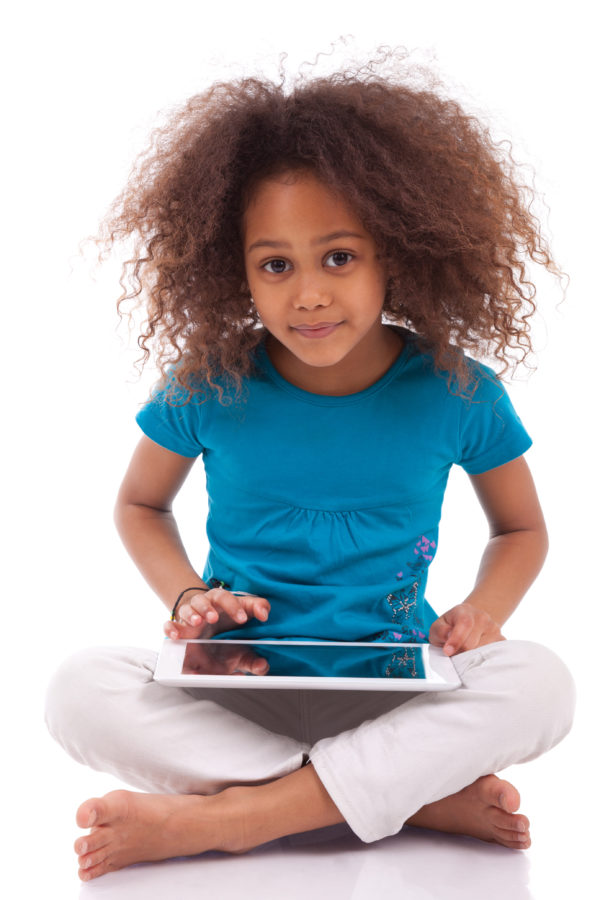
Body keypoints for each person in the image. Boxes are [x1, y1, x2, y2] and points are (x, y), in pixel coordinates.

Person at [45, 50, 576, 882]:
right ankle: (403, 795)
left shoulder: (457, 390)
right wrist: (188, 598)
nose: (309, 295)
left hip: (398, 685)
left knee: (543, 683)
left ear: (396, 252)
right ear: (235, 272)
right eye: (275, 265)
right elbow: (140, 506)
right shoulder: (209, 383)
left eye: (339, 257)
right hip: (237, 689)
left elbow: (521, 529)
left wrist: (483, 612)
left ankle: (240, 817)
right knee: (77, 690)